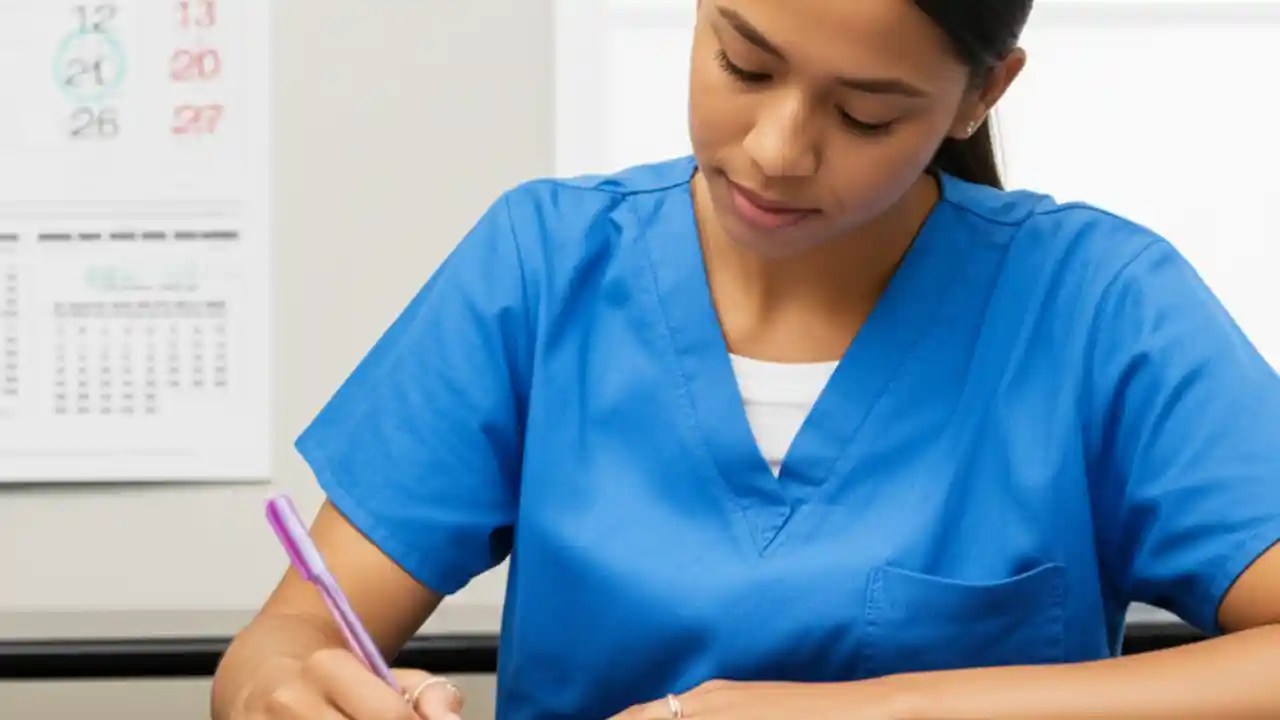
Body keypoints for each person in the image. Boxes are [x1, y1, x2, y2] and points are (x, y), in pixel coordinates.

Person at [212, 1, 1280, 717]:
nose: (775, 149)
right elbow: (287, 638)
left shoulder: (1096, 307)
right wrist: (282, 688)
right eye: (741, 63)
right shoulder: (541, 269)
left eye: (863, 113)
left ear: (978, 95)